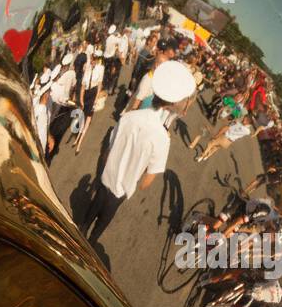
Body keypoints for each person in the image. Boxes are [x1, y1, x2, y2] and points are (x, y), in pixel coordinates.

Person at [78, 61, 196, 245]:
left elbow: (108, 150)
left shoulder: (128, 117)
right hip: (120, 192)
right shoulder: (162, 138)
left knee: (87, 218)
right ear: (172, 103)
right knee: (96, 232)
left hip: (105, 178)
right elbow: (146, 183)